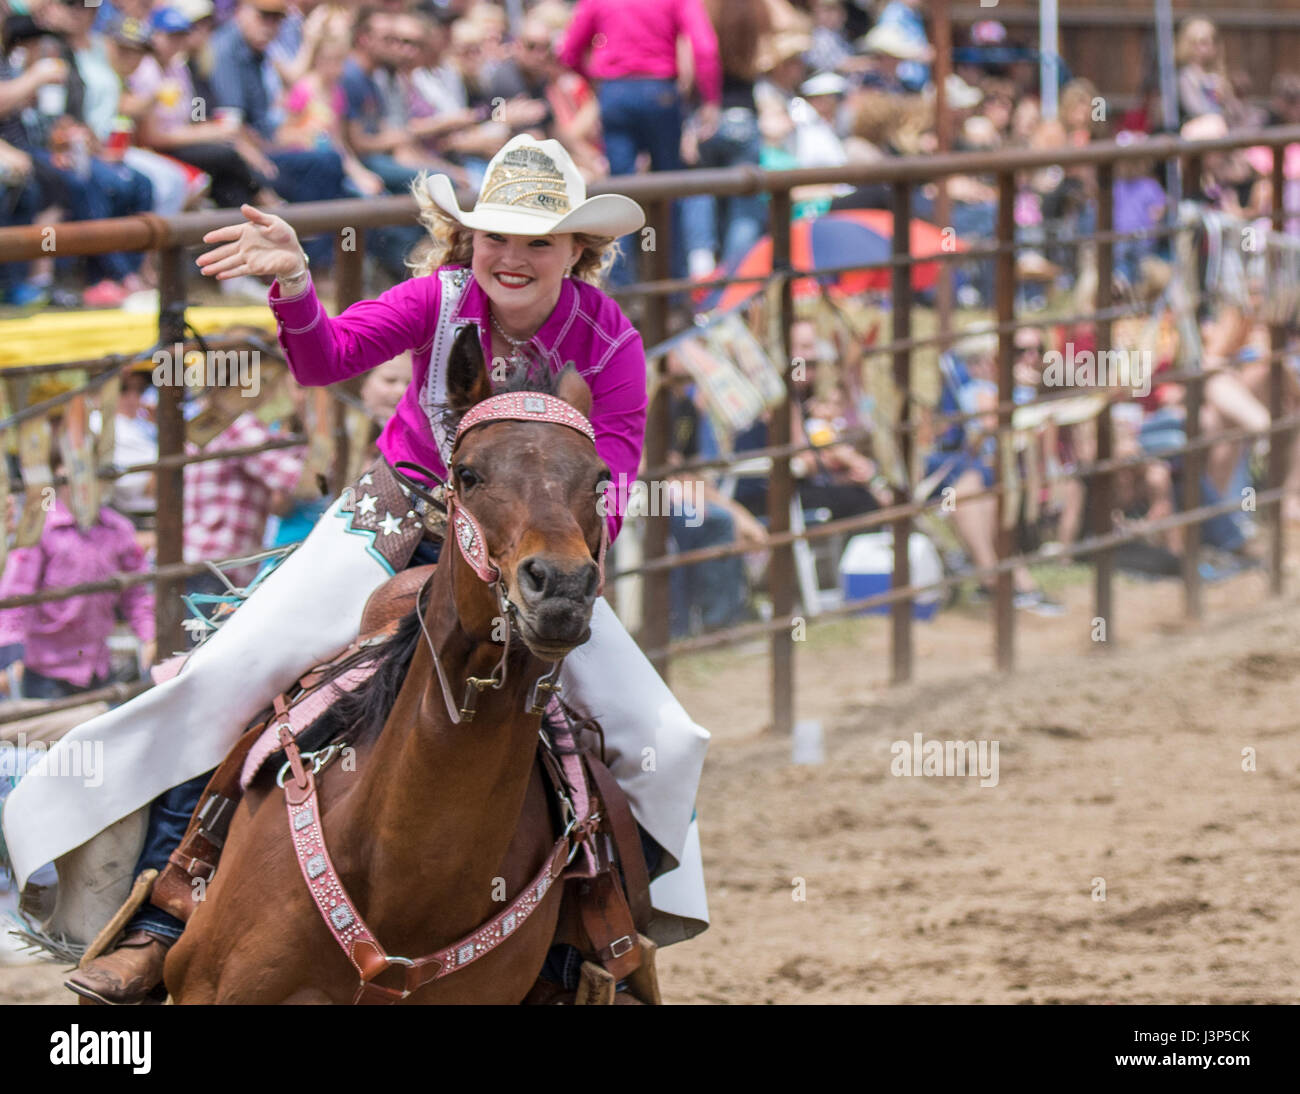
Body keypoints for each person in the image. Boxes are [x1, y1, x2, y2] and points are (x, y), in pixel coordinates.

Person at [7, 135, 709, 1005]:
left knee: (662, 739)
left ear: (578, 251)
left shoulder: (609, 339)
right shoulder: (440, 299)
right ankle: (166, 910)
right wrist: (296, 289)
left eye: (539, 240)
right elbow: (324, 358)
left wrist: (553, 554)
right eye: (496, 236)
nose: (513, 257)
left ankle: (595, 942)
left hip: (533, 555)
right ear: (469, 240)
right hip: (395, 520)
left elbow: (621, 463)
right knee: (230, 672)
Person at [0, 438, 157, 701]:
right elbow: (16, 596)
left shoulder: (117, 530)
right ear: (59, 475)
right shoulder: (41, 530)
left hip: (98, 668)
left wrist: (150, 635)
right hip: (45, 673)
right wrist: (7, 656)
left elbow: (136, 594)